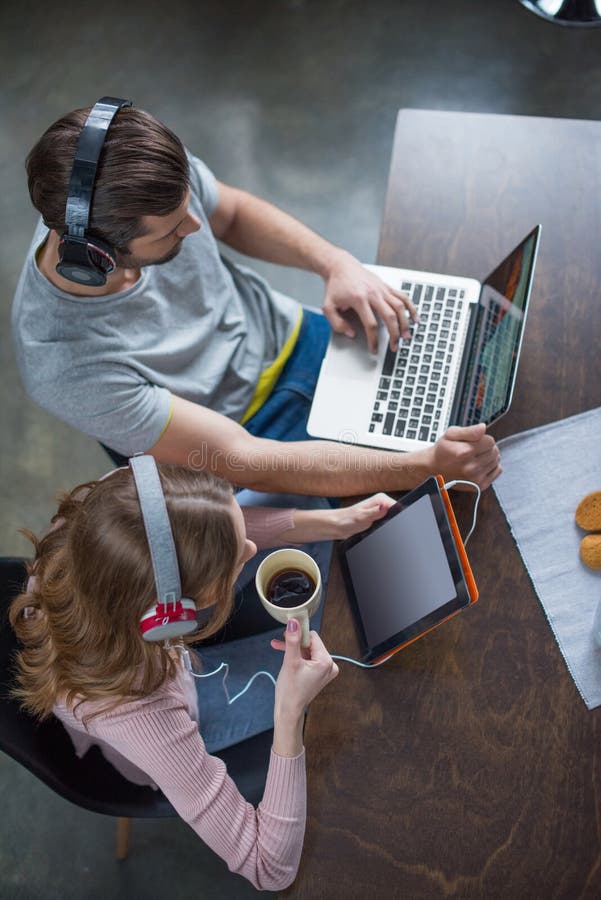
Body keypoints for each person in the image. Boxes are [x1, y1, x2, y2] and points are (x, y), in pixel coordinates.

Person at [12, 101, 501, 495]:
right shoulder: (65, 364)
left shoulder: (135, 179)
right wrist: (422, 469)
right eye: (173, 231)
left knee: (468, 376)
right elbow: (248, 461)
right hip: (251, 434)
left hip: (290, 333)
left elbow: (232, 215)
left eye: (188, 204)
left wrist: (335, 263)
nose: (196, 225)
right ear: (96, 254)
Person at [9, 462, 396, 890]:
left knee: (309, 511)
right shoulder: (139, 713)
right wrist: (291, 713)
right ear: (171, 618)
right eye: (234, 560)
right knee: (338, 654)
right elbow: (269, 868)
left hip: (145, 646)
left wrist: (332, 522)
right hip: (178, 705)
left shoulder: (111, 510)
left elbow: (207, 529)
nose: (250, 549)